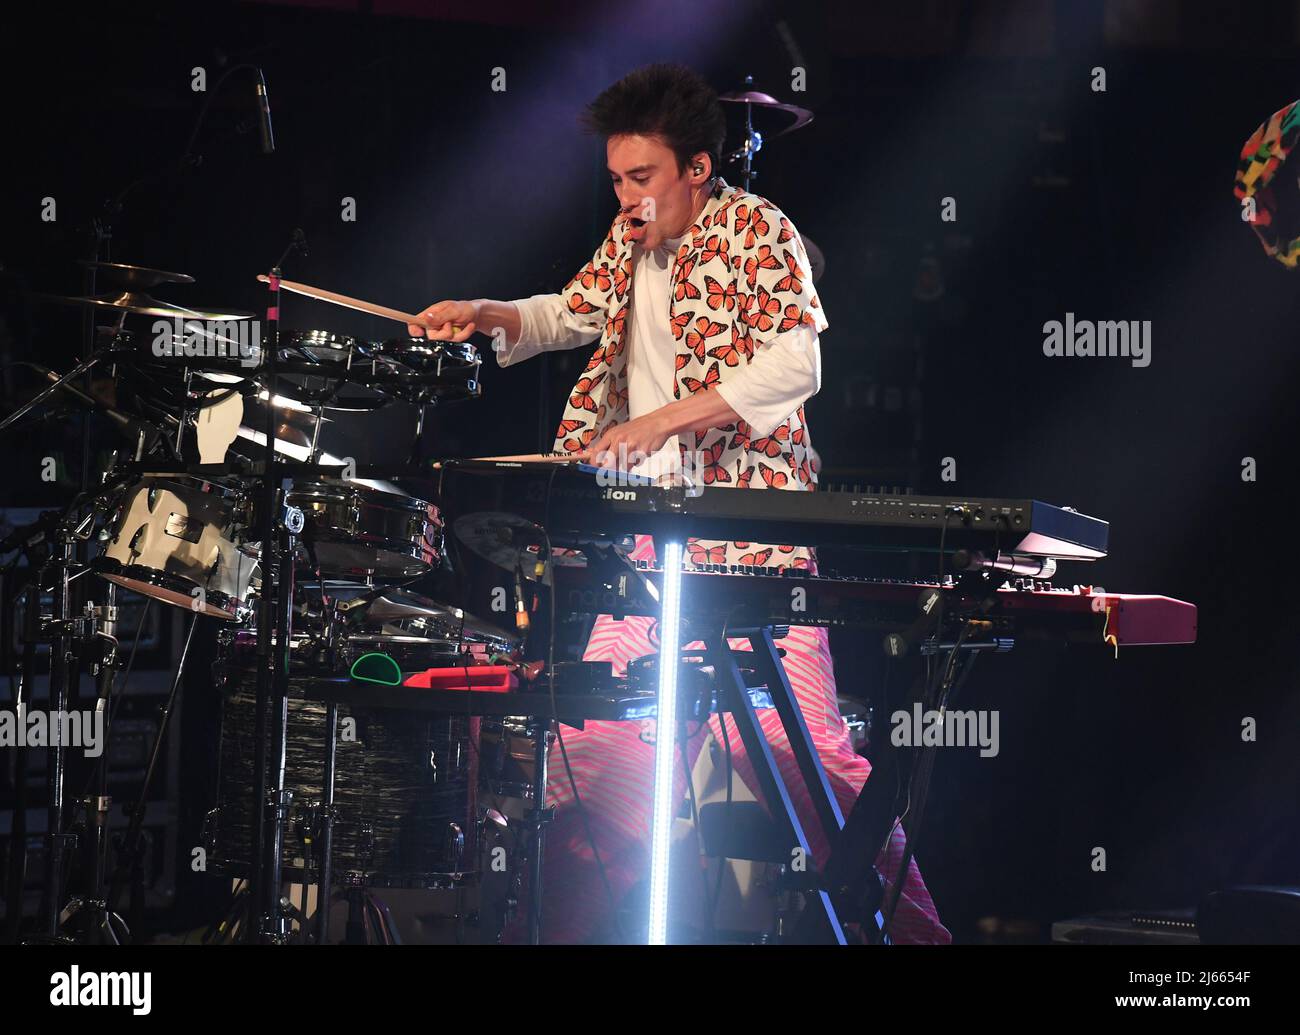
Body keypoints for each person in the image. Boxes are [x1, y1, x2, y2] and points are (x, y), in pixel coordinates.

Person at [409, 63, 949, 944]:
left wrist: (660, 420)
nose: (625, 198)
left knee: (813, 772)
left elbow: (796, 364)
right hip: (645, 561)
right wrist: (486, 311)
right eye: (617, 179)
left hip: (751, 555)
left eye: (642, 178)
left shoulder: (756, 230)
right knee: (589, 775)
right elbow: (568, 313)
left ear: (697, 167)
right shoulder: (631, 243)